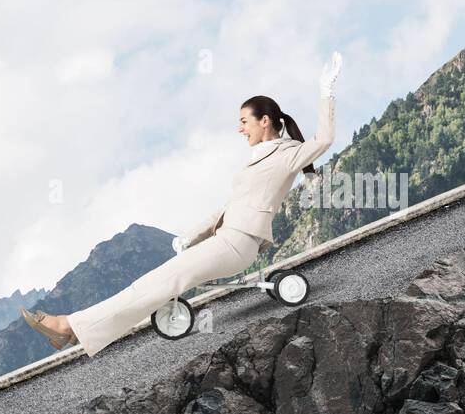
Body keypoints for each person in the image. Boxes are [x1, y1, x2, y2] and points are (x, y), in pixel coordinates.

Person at [22, 52, 343, 355]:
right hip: (226, 240)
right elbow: (228, 207)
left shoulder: (286, 155)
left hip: (238, 245)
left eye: (244, 121)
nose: (239, 128)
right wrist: (193, 235)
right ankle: (75, 329)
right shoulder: (256, 160)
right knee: (152, 282)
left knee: (162, 282)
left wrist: (325, 91)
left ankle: (68, 326)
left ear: (265, 121)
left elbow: (324, 140)